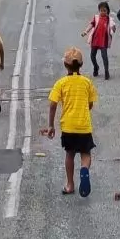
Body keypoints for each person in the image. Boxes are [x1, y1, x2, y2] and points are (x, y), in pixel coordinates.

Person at [46, 47, 98, 197]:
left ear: (65, 65)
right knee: (86, 153)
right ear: (81, 64)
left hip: (68, 126)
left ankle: (70, 184)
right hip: (83, 126)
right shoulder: (87, 82)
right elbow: (90, 104)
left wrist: (51, 125)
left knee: (69, 154)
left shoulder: (61, 83)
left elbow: (53, 104)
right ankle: (84, 169)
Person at [82, 1, 116, 79]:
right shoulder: (96, 17)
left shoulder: (109, 19)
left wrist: (113, 28)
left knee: (104, 56)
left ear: (107, 11)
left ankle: (106, 71)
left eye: (104, 10)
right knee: (92, 56)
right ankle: (96, 67)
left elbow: (113, 27)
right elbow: (91, 25)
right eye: (101, 10)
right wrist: (86, 31)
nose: (102, 12)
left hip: (104, 41)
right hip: (95, 39)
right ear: (99, 10)